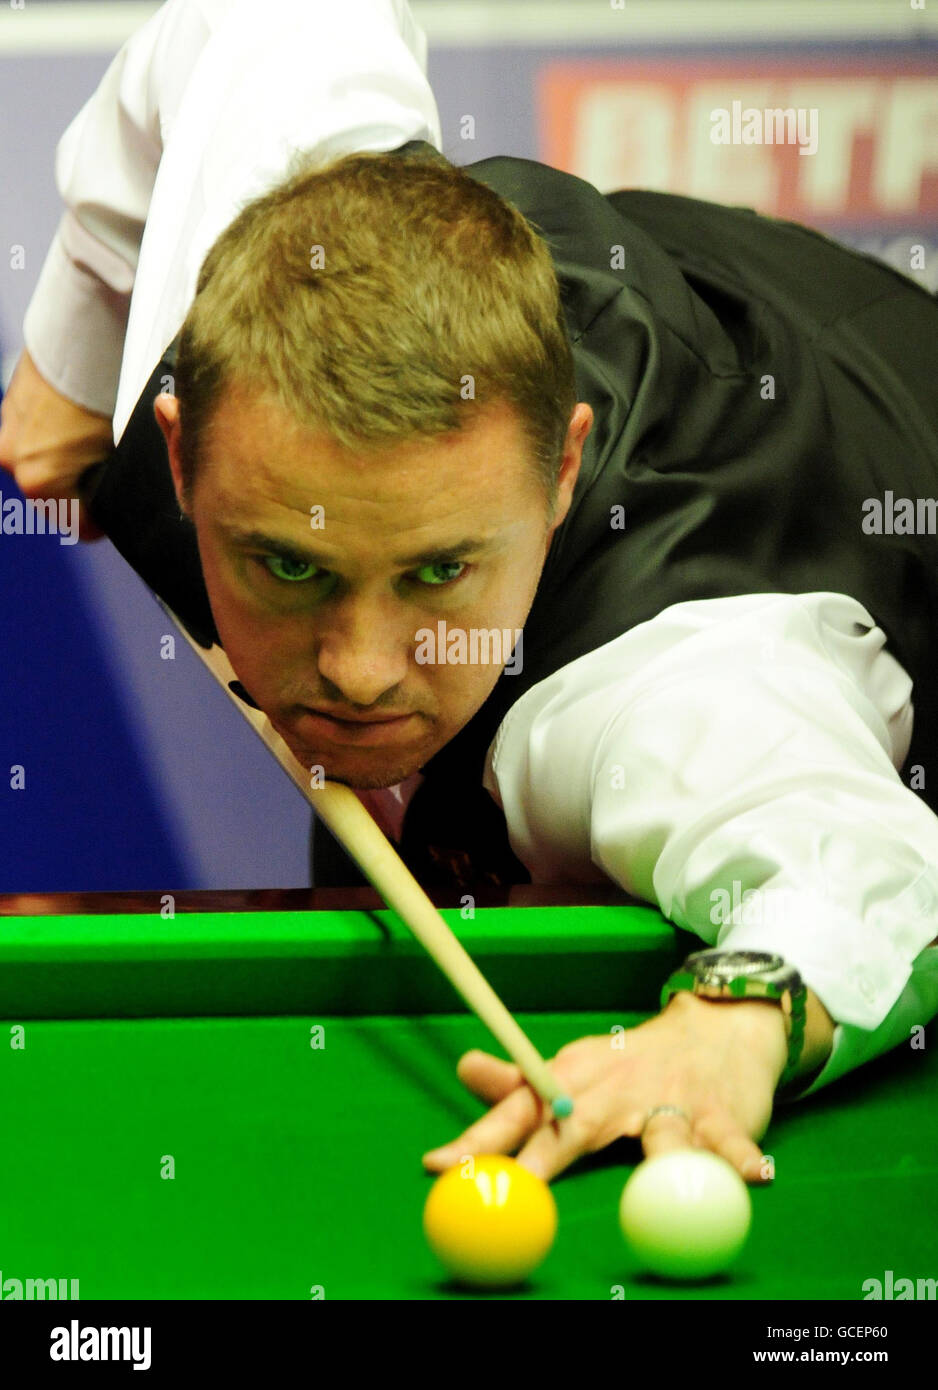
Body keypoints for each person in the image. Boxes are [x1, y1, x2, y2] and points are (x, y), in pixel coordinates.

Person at [3, 0, 937, 1188]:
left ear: (559, 475)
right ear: (181, 454)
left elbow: (867, 872)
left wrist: (725, 1028)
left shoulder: (660, 689)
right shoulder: (269, 245)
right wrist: (71, 363)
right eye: (289, 564)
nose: (358, 667)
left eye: (437, 572)